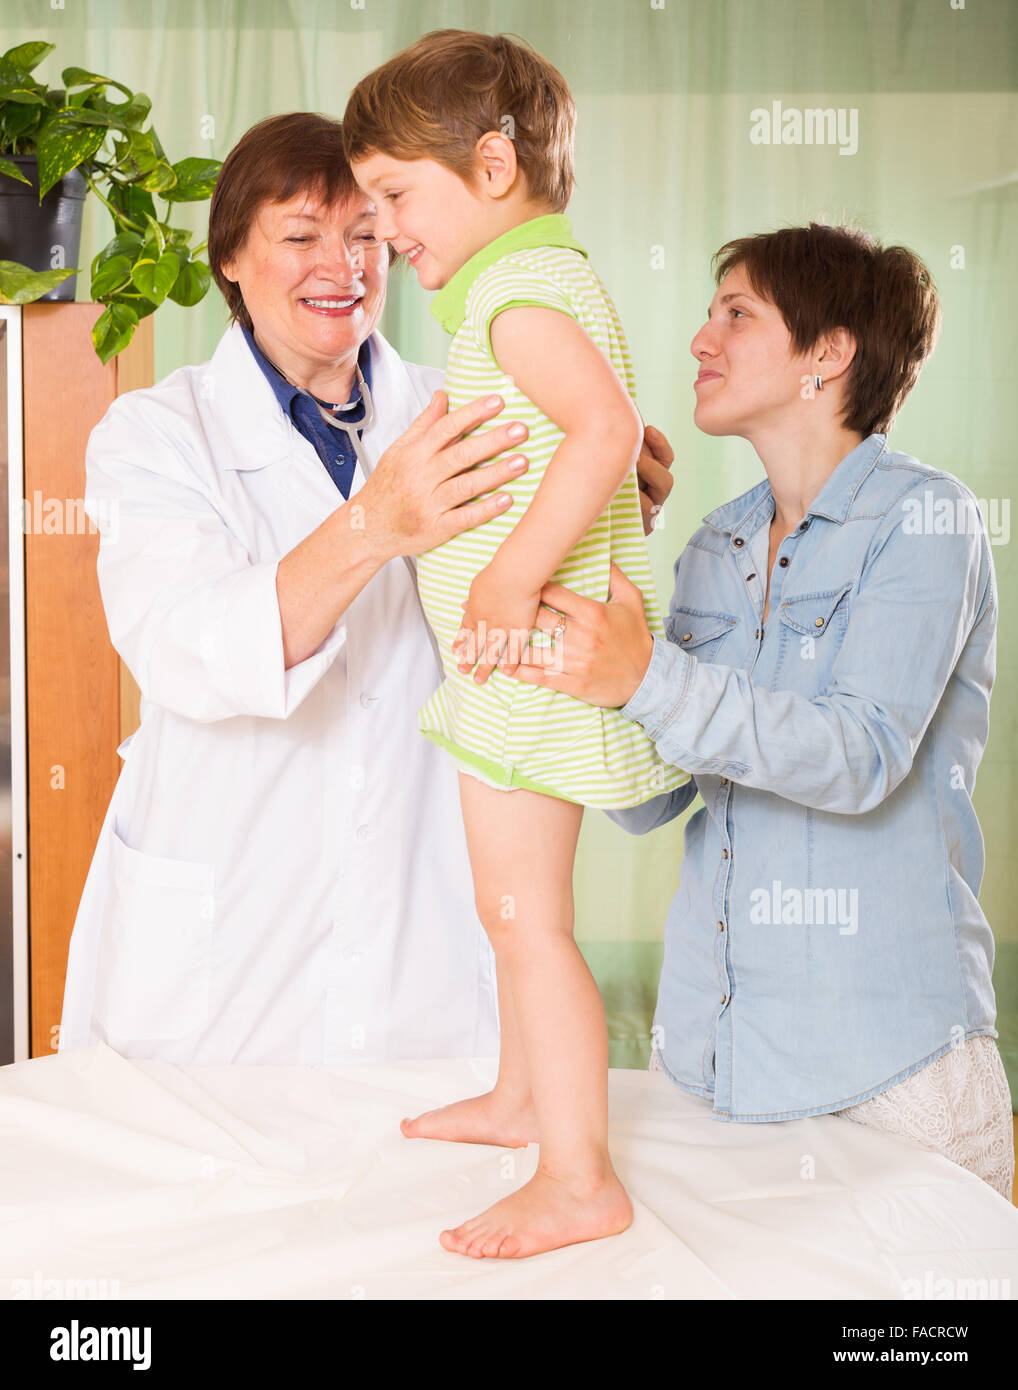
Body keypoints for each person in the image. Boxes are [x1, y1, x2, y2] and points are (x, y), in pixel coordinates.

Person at [57, 111, 676, 1069]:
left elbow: (524, 617)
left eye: (364, 237)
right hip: (226, 949)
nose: (340, 268)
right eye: (300, 237)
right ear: (230, 258)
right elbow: (187, 650)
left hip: (416, 951)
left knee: (420, 1188)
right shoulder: (155, 432)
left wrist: (608, 507)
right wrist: (374, 523)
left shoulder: (469, 406)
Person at [510, 222, 1015, 1202]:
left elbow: (859, 754)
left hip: (890, 1061)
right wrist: (591, 547)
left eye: (735, 313)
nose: (701, 339)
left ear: (828, 353)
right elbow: (645, 802)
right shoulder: (711, 547)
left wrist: (649, 674)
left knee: (915, 1353)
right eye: (708, 313)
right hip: (710, 1059)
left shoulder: (927, 520)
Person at [346, 29, 690, 1262]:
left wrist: (506, 570)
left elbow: (603, 429)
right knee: (512, 907)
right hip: (519, 672)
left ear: (492, 166)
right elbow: (599, 442)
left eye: (393, 196)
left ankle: (579, 1176)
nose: (383, 230)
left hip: (534, 667)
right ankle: (516, 1096)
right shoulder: (528, 283)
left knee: (524, 914)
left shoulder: (520, 292)